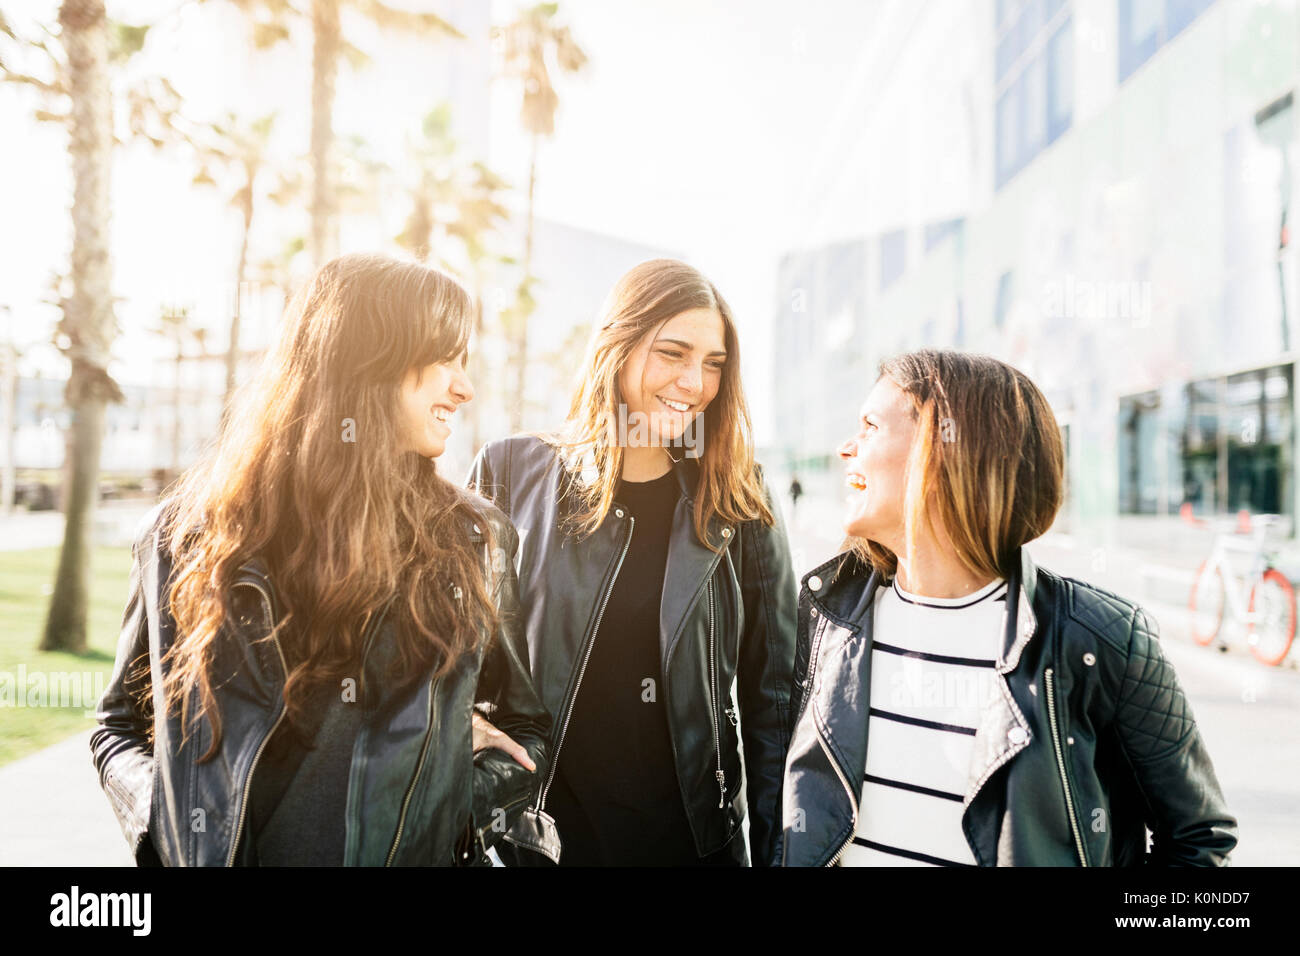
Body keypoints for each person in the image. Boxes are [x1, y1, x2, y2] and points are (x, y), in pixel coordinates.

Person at [90, 253, 550, 866]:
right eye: (445, 359)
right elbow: (118, 725)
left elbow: (527, 730)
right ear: (365, 362)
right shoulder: (184, 536)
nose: (464, 388)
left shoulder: (474, 539)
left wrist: (445, 793)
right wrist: (170, 825)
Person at [779, 349, 1237, 866]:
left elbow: (1200, 839)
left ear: (942, 448)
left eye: (869, 426)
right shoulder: (828, 619)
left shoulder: (1099, 639)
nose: (846, 448)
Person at [468, 258, 798, 866]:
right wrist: (456, 720)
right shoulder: (511, 471)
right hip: (538, 846)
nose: (694, 382)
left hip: (691, 847)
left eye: (713, 364)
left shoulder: (739, 498)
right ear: (617, 346)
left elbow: (774, 703)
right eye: (673, 353)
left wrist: (782, 854)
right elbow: (453, 647)